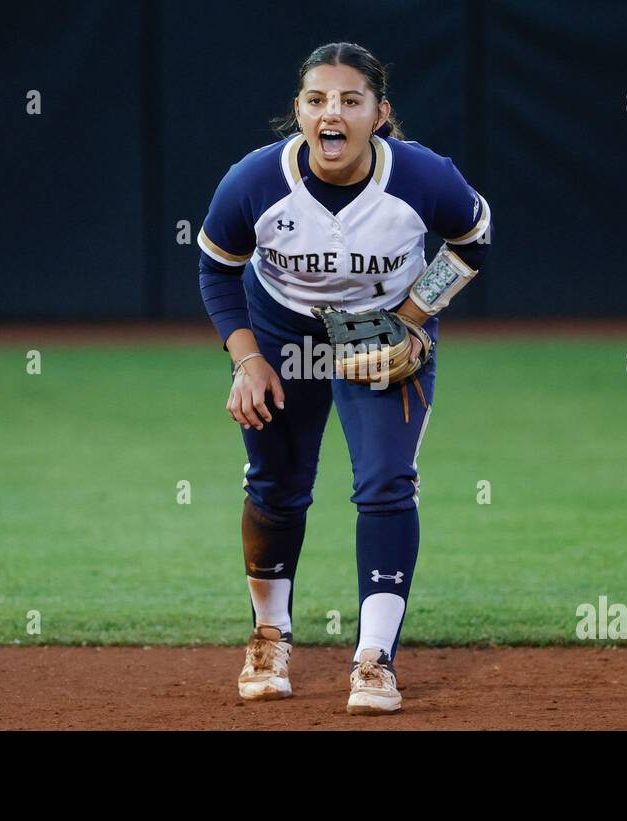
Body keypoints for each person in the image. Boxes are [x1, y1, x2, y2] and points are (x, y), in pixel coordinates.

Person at [197, 42, 492, 715]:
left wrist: (414, 316)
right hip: (282, 331)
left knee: (387, 481)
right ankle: (270, 633)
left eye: (350, 100)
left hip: (383, 329)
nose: (333, 111)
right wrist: (247, 360)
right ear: (299, 111)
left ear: (378, 114)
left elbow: (475, 237)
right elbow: (217, 267)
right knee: (276, 485)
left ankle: (374, 658)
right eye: (317, 99)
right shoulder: (254, 182)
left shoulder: (421, 177)